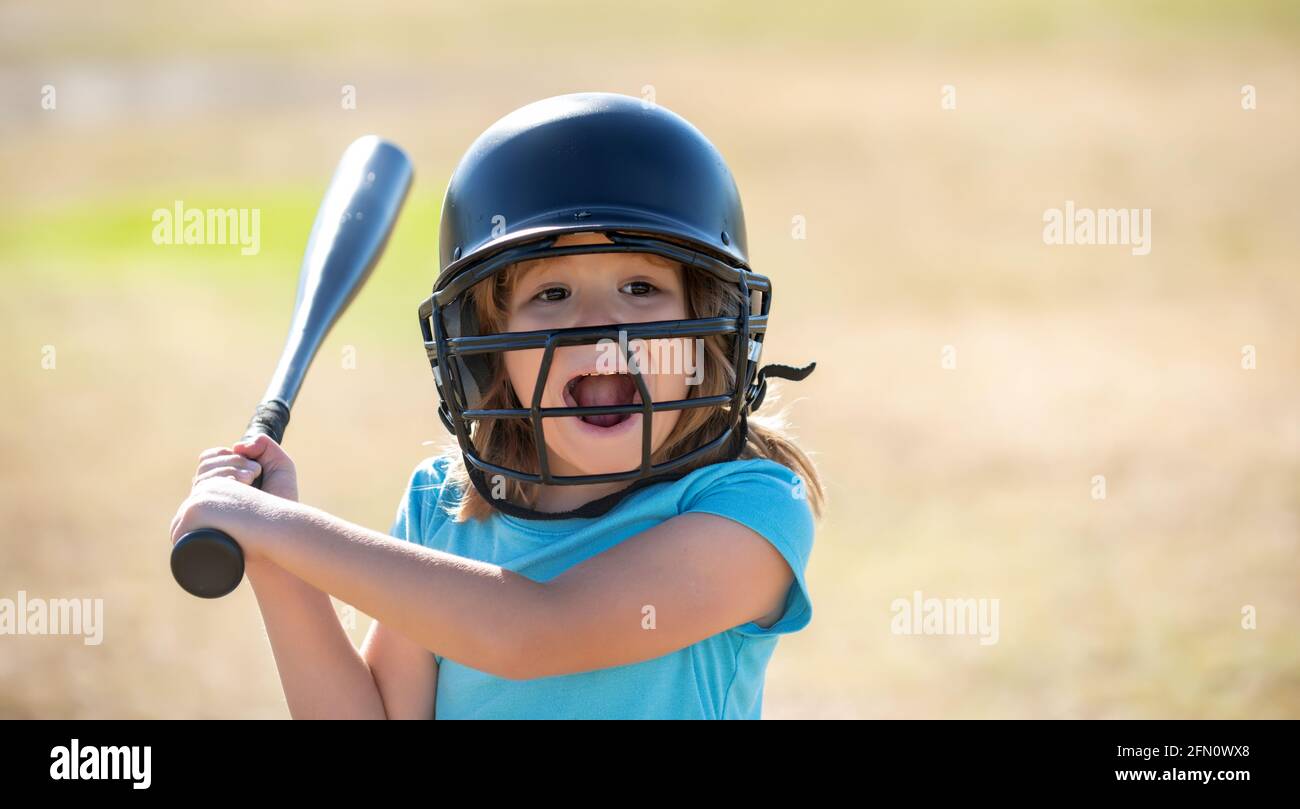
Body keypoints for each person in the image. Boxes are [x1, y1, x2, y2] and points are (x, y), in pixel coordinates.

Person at [171, 92, 825, 719]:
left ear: (706, 329)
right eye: (552, 293)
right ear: (491, 350)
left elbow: (535, 630)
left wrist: (281, 529)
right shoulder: (445, 504)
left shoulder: (752, 506)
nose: (599, 326)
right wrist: (275, 553)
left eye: (639, 286)